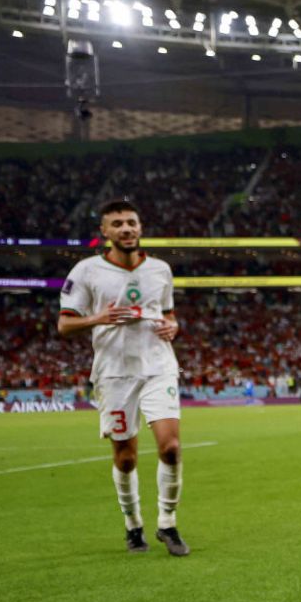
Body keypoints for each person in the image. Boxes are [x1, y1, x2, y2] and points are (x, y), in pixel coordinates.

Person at [57, 198, 189, 556]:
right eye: (117, 224)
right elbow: (65, 323)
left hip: (158, 366)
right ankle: (133, 527)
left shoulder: (160, 270)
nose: (126, 229)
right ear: (104, 231)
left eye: (131, 222)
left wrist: (173, 326)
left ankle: (168, 523)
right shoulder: (86, 271)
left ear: (140, 227)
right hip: (114, 373)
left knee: (172, 447)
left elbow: (169, 314)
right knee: (126, 457)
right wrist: (96, 319)